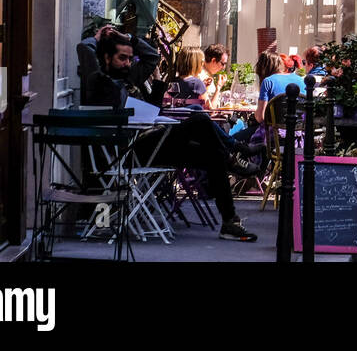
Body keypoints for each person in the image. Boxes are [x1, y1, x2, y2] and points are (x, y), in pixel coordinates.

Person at [84, 30, 259, 242]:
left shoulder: (130, 77)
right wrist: (96, 38)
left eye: (130, 58)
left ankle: (230, 222)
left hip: (152, 144)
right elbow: (84, 49)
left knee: (214, 154)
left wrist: (130, 38)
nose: (127, 63)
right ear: (106, 58)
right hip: (130, 151)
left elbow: (152, 58)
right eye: (122, 58)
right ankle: (237, 150)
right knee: (199, 119)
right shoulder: (99, 79)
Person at [200, 43, 229, 109]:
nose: (224, 67)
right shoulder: (203, 77)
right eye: (223, 64)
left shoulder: (206, 73)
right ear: (213, 60)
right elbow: (211, 109)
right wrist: (218, 87)